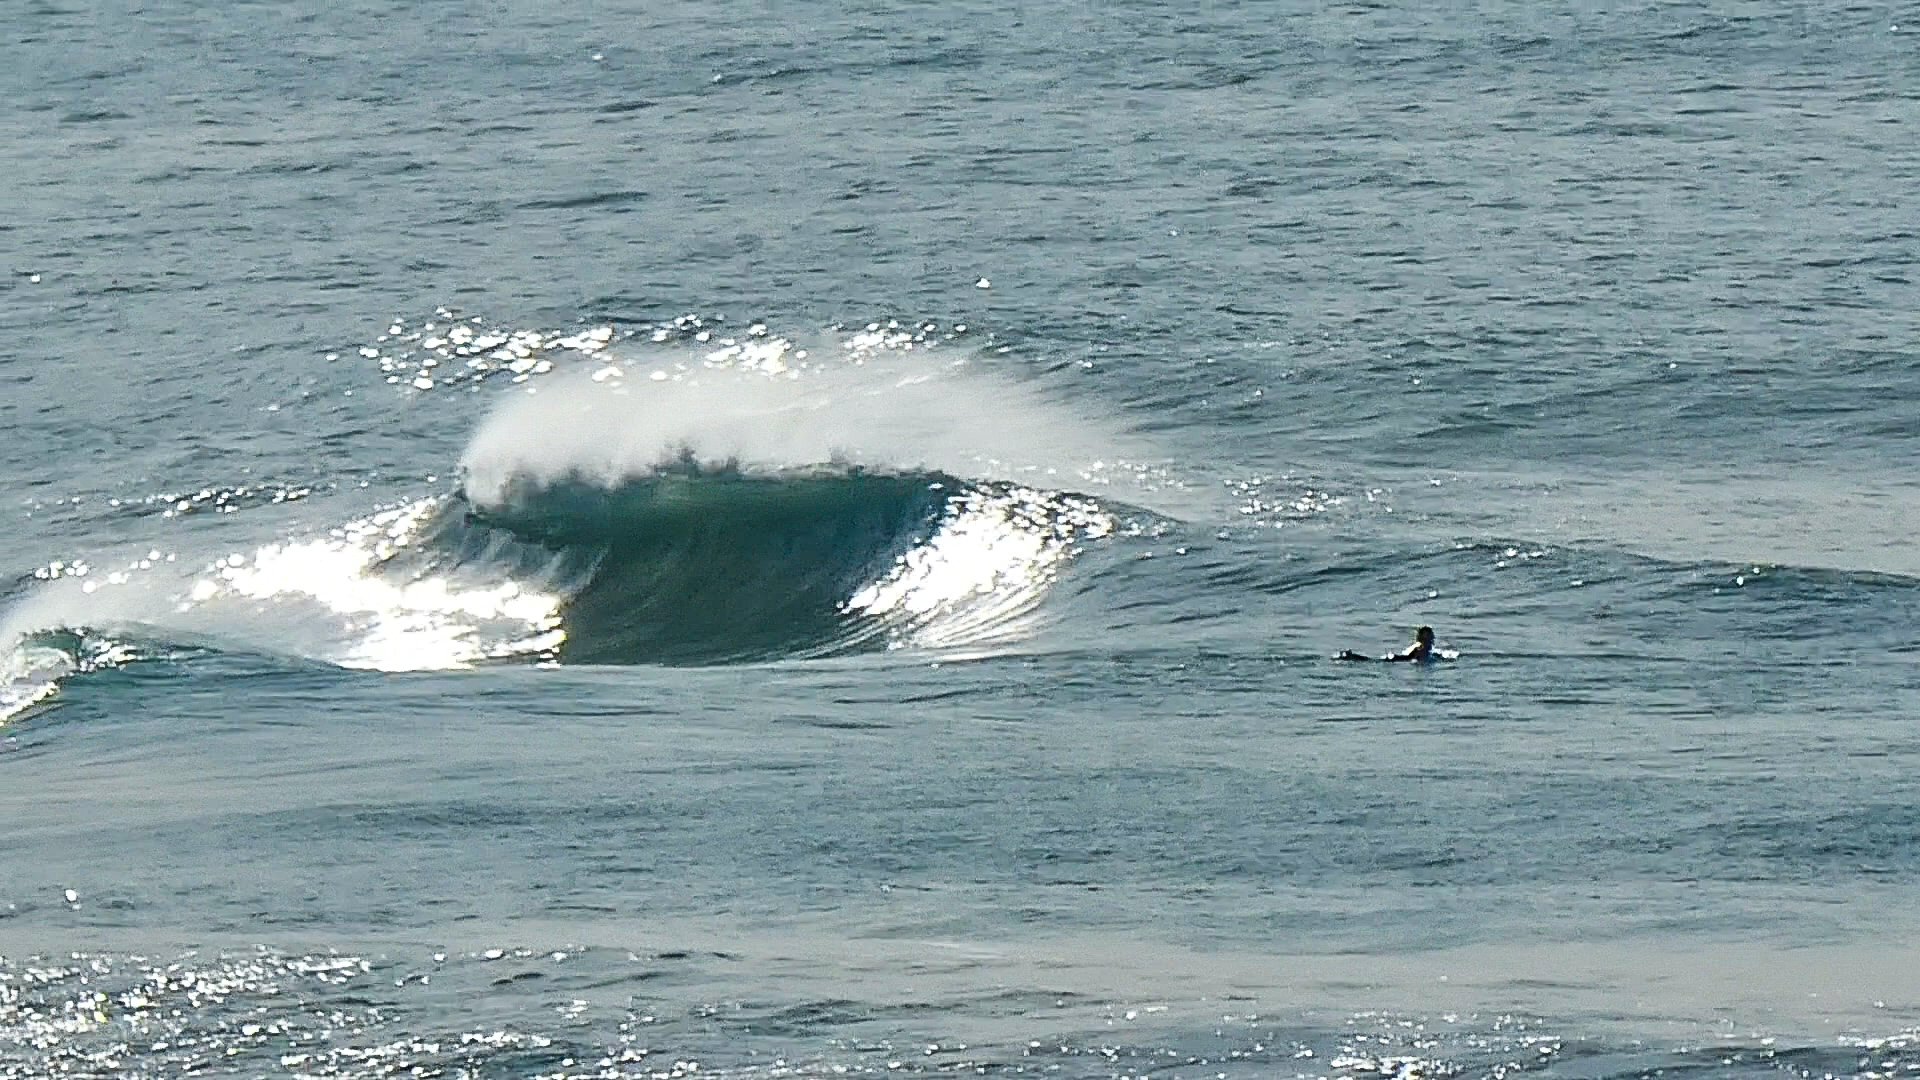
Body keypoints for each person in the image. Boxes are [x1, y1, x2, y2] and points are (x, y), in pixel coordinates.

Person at [1337, 625, 1436, 663]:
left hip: (1400, 659)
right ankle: (1352, 657)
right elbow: (1415, 660)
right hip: (1400, 661)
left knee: (1372, 661)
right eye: (1431, 636)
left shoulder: (1421, 648)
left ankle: (1351, 656)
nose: (1433, 638)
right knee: (1371, 661)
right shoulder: (1422, 649)